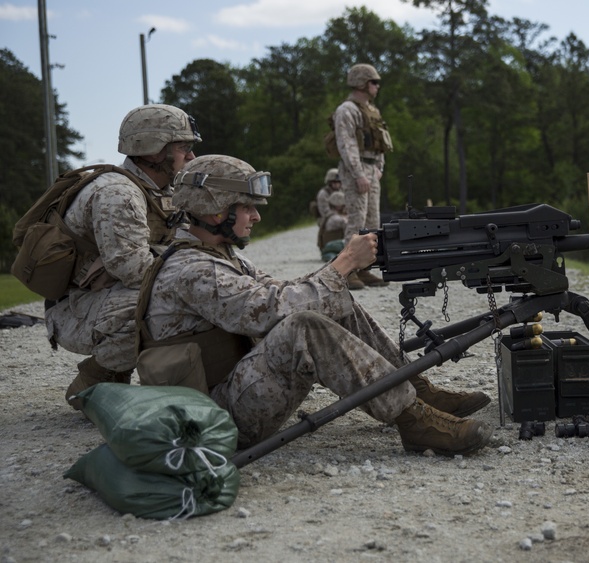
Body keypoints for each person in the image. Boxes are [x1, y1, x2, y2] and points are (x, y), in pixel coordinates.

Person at [135, 154, 492, 455]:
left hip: (231, 391)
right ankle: (413, 420)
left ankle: (417, 390)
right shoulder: (192, 269)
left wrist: (337, 274)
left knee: (333, 298)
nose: (256, 217)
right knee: (304, 324)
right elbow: (270, 310)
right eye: (245, 207)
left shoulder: (215, 255)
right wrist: (343, 265)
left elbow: (284, 289)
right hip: (215, 417)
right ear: (214, 211)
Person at [49, 104, 200, 409]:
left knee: (193, 287)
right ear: (155, 151)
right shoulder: (118, 193)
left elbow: (189, 248)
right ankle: (94, 381)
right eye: (184, 147)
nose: (192, 157)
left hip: (106, 297)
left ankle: (126, 378)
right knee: (169, 299)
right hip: (75, 308)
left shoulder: (162, 191)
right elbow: (135, 269)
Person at [332, 63, 392, 289]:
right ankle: (346, 271)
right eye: (374, 82)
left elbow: (381, 143)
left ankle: (364, 268)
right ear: (362, 83)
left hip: (371, 169)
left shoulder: (372, 111)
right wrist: (358, 174)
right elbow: (346, 145)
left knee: (372, 222)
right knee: (356, 221)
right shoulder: (347, 110)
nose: (377, 86)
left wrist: (379, 168)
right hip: (355, 170)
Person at [315, 167, 348, 261]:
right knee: (343, 222)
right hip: (328, 218)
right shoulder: (323, 194)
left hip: (341, 214)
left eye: (339, 182)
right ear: (329, 182)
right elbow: (325, 212)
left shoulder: (341, 191)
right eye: (334, 182)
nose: (337, 184)